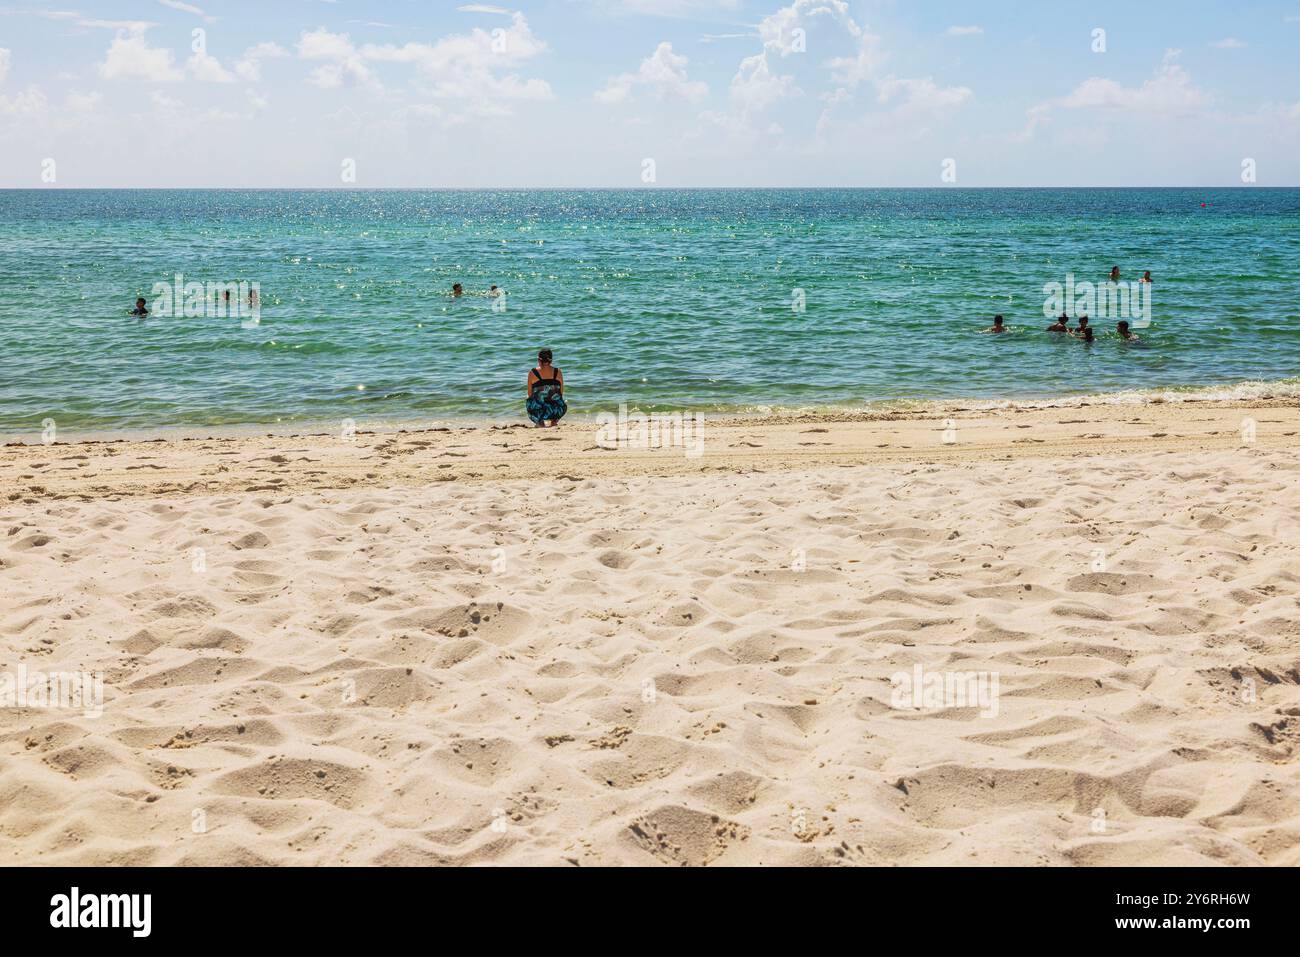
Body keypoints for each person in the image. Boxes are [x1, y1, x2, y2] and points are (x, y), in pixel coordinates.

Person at [526, 349, 566, 428]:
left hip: (540, 410)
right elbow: (561, 393)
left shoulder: (532, 372)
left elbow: (529, 394)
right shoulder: (558, 371)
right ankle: (554, 421)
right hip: (555, 410)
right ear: (551, 360)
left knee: (529, 399)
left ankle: (540, 422)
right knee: (558, 399)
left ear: (539, 360)